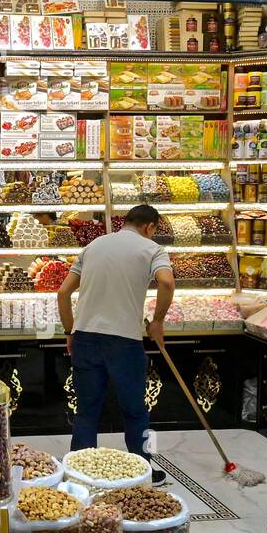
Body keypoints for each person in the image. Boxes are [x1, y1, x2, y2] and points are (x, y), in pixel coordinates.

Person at [57, 204, 175, 485]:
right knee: (135, 410)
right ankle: (144, 470)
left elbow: (63, 293)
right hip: (125, 341)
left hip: (85, 337)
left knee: (86, 410)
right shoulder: (153, 250)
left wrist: (69, 330)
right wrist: (157, 321)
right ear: (149, 227)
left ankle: (79, 473)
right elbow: (167, 283)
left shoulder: (94, 246)